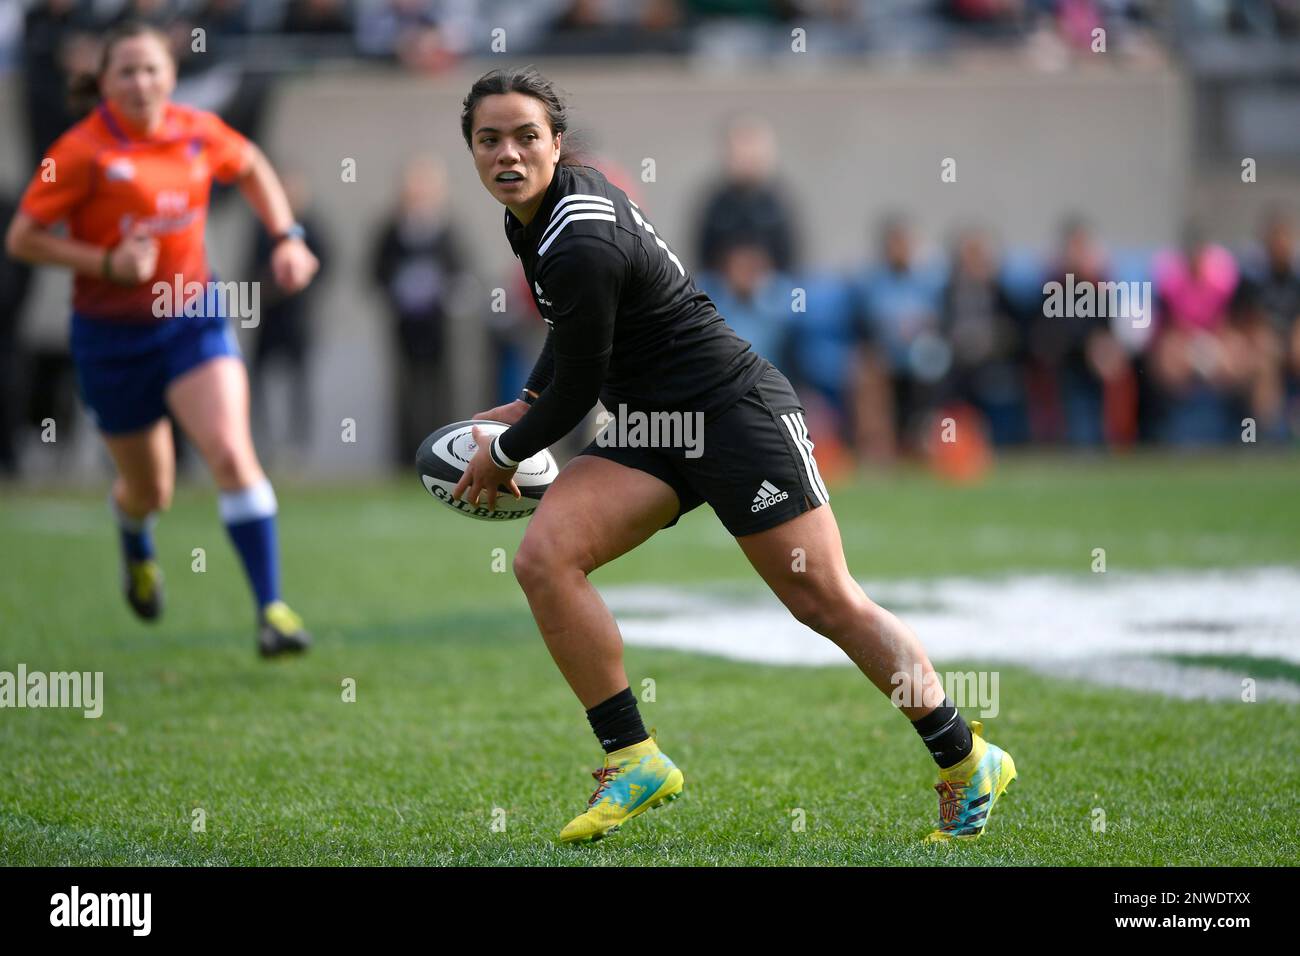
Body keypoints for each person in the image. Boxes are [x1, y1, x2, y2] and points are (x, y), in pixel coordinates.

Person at [452, 67, 1017, 844]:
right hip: (655, 425)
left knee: (823, 599)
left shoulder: (576, 234)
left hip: (733, 414)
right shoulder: (534, 216)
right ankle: (635, 756)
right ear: (473, 150)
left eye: (525, 137)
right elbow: (576, 331)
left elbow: (580, 385)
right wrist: (524, 402)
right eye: (490, 140)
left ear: (558, 144)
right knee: (545, 559)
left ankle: (966, 757)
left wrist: (508, 448)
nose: (508, 153)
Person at [5, 21, 318, 657]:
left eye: (152, 68)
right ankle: (135, 543)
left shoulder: (197, 129)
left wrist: (288, 236)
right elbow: (22, 239)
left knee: (232, 453)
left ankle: (273, 612)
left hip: (192, 316)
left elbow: (252, 163)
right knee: (151, 490)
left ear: (172, 74)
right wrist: (106, 263)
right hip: (110, 338)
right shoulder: (79, 151)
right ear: (105, 82)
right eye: (126, 71)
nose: (142, 82)